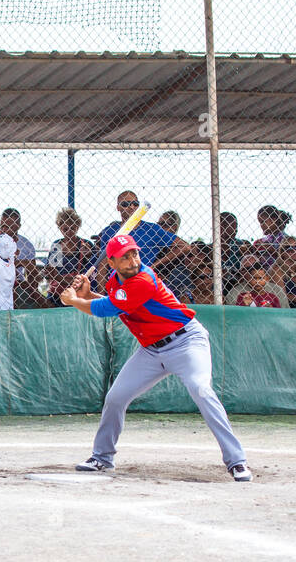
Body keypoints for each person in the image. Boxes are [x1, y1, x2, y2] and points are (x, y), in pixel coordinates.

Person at [59, 232, 251, 483]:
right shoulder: (115, 282)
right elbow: (115, 303)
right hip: (151, 350)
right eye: (124, 258)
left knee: (201, 389)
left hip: (185, 342)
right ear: (112, 263)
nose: (132, 261)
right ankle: (102, 457)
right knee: (116, 397)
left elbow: (106, 309)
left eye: (134, 254)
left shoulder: (144, 279)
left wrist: (75, 301)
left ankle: (237, 461)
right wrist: (86, 296)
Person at [93, 190, 191, 279]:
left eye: (135, 204)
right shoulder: (110, 230)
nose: (131, 207)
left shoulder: (152, 229)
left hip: (142, 279)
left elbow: (184, 246)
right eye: (125, 204)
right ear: (118, 208)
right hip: (118, 282)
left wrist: (153, 266)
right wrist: (101, 291)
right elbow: (103, 264)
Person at [46, 207, 96, 304]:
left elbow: (92, 269)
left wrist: (89, 255)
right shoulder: (57, 245)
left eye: (72, 228)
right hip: (59, 292)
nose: (69, 232)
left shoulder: (85, 244)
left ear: (77, 227)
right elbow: (51, 272)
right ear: (60, 227)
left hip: (79, 290)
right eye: (65, 229)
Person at [250, 205, 292, 270]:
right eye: (260, 222)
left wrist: (270, 249)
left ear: (273, 220)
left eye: (263, 221)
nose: (261, 225)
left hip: (279, 274)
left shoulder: (285, 239)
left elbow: (289, 259)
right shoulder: (265, 239)